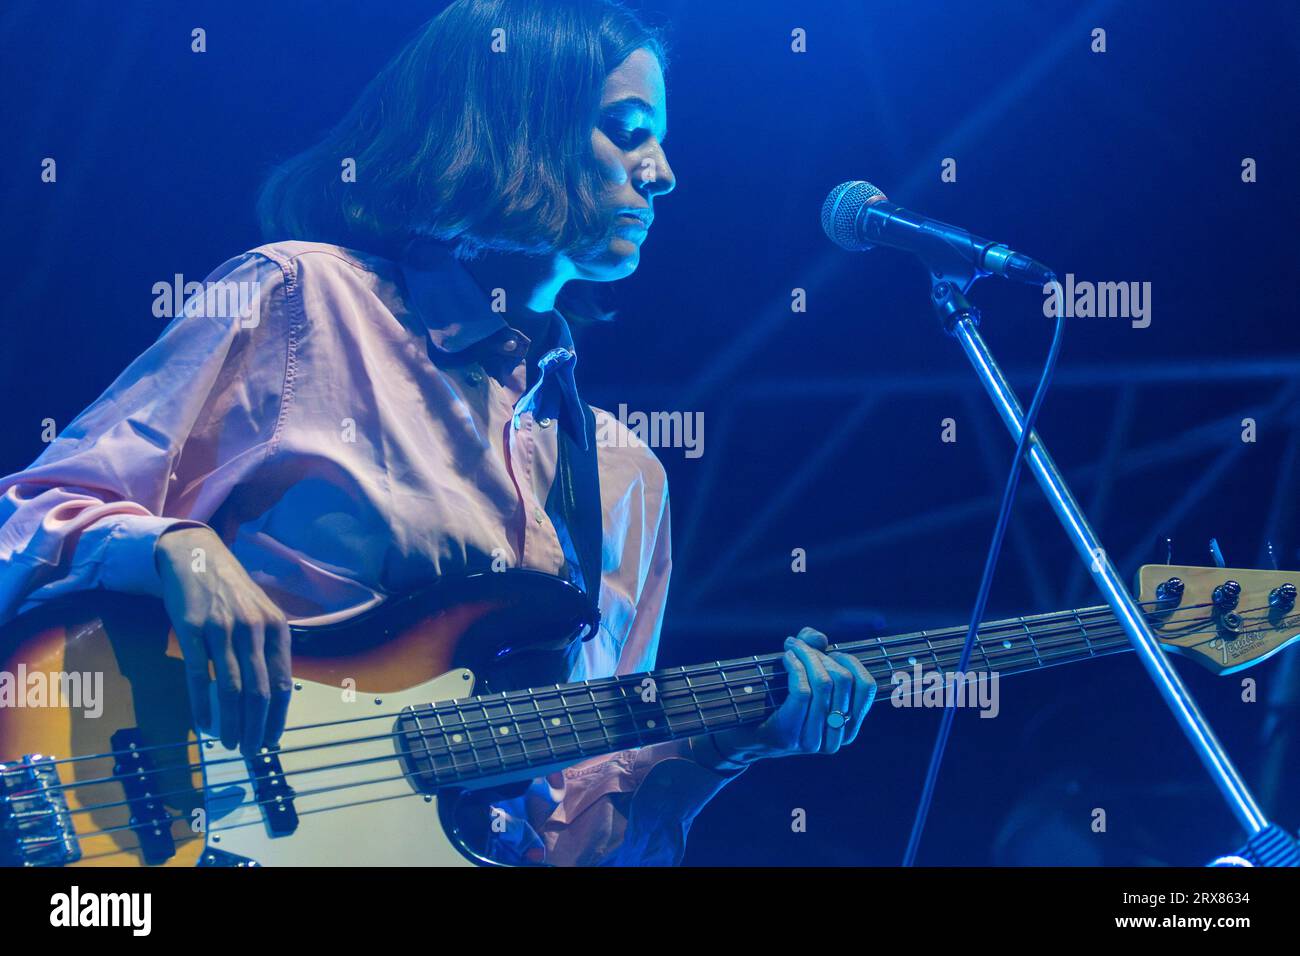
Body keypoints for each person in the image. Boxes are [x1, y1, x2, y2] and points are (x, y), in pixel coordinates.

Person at [0, 0, 875, 866]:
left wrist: (723, 750)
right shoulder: (303, 303)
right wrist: (176, 549)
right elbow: (25, 520)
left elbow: (563, 835)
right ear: (512, 124)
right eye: (626, 128)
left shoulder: (623, 475)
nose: (664, 172)